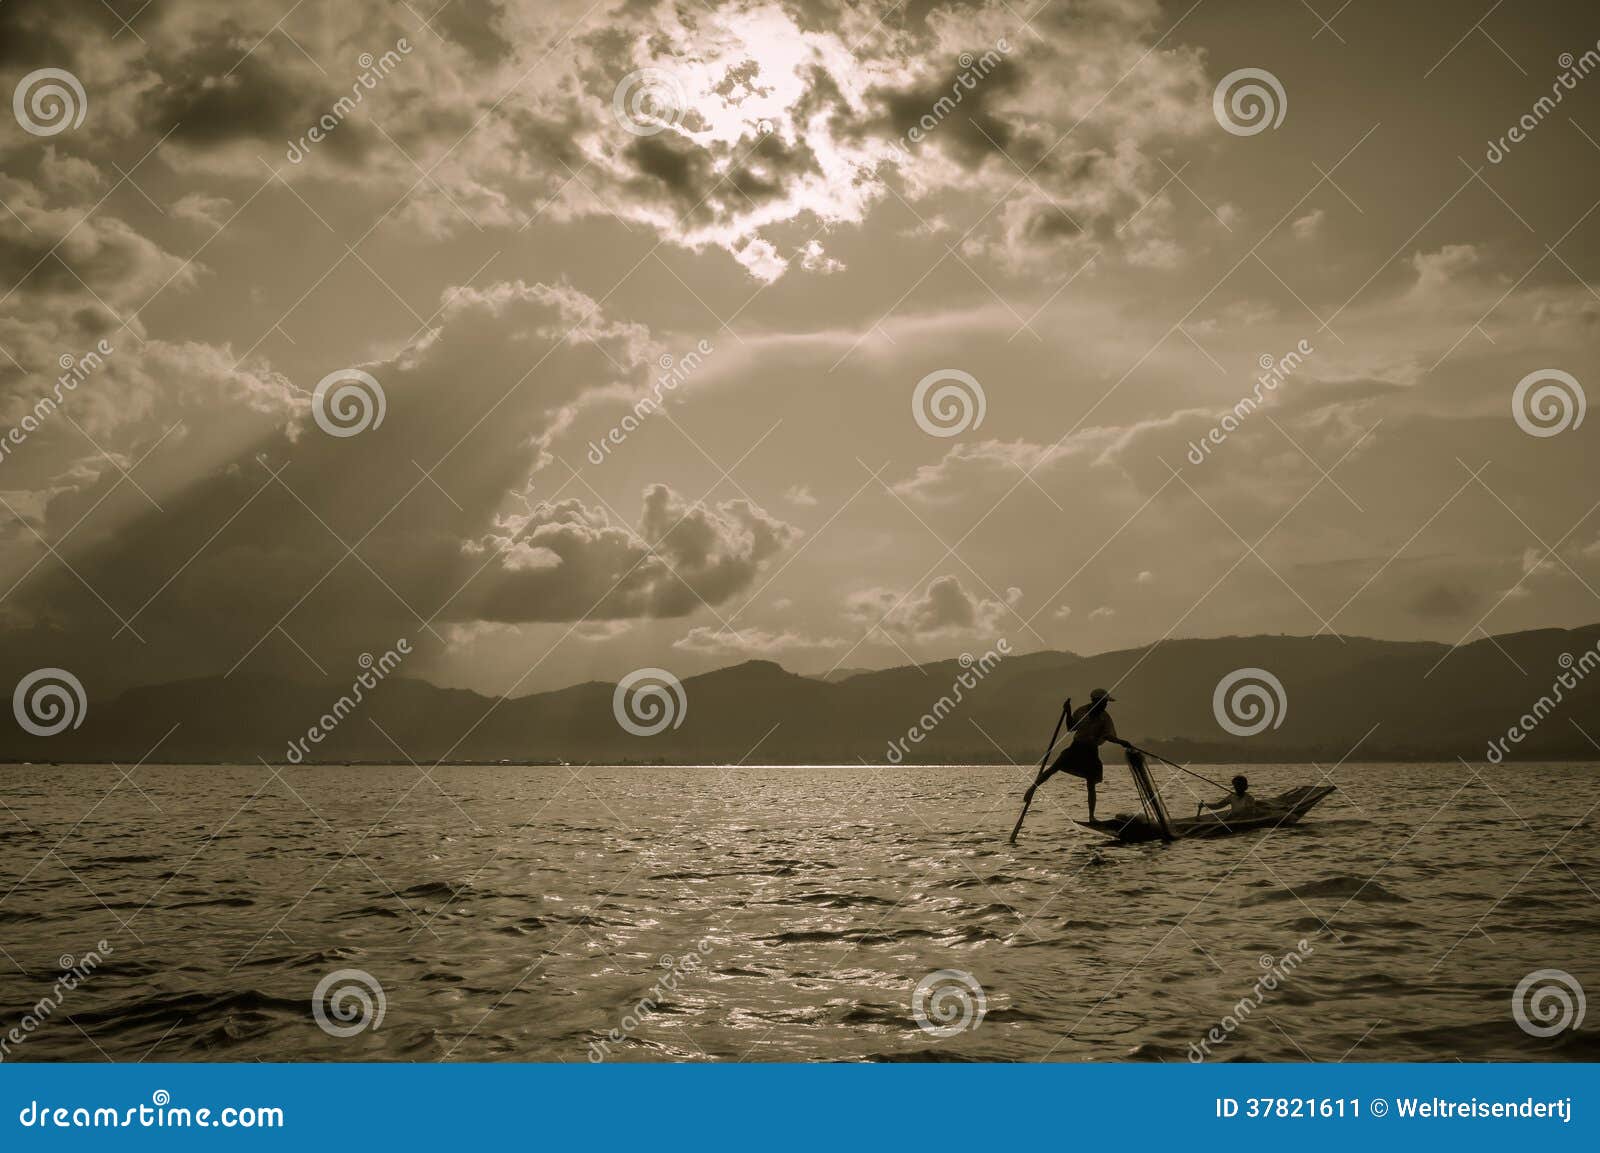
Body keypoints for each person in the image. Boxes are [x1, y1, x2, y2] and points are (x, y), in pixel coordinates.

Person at [1035, 687, 1124, 821]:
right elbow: (1071, 728)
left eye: (1106, 703)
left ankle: (1091, 816)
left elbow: (1109, 736)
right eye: (1104, 702)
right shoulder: (1082, 711)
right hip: (1076, 747)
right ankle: (1032, 788)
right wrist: (1068, 712)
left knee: (1091, 784)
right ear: (1096, 701)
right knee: (1054, 768)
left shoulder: (1105, 718)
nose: (1106, 705)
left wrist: (1122, 742)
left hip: (1091, 751)